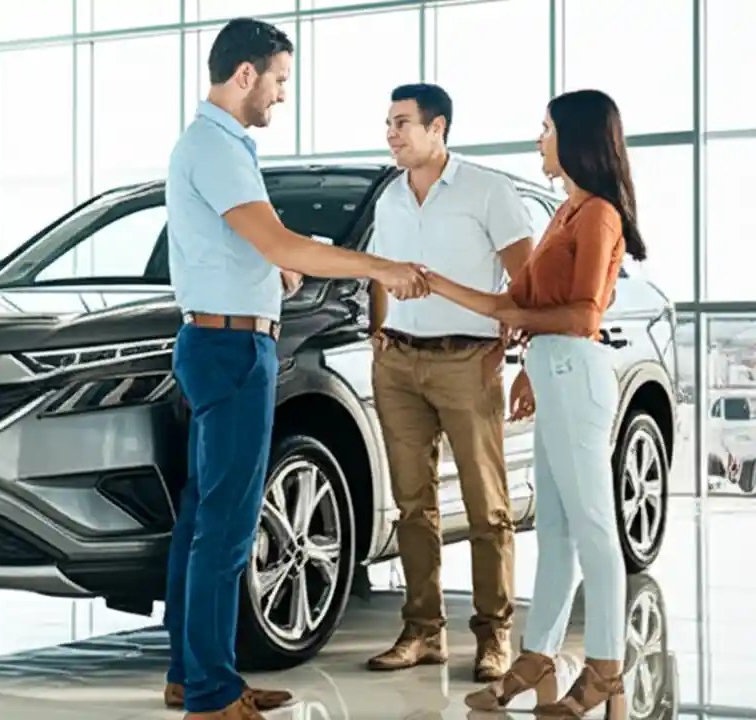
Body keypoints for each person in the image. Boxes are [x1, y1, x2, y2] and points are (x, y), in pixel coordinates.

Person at [162, 17, 428, 720]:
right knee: (227, 524)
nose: (282, 94)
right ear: (244, 75)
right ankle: (213, 695)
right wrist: (381, 267)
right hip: (230, 350)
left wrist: (272, 267)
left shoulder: (220, 147)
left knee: (201, 516)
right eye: (279, 79)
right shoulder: (215, 148)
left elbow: (252, 244)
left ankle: (191, 676)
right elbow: (277, 239)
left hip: (221, 340)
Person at [425, 88, 644, 717]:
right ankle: (539, 655)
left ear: (575, 138)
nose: (538, 139)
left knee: (595, 530)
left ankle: (605, 667)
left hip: (577, 370)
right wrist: (434, 282)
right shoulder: (566, 212)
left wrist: (522, 329)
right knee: (554, 532)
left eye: (546, 128)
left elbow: (580, 315)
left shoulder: (600, 213)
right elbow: (508, 304)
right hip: (554, 371)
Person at [365, 83, 535, 682]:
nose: (391, 133)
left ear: (438, 129)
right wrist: (377, 332)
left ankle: (495, 637)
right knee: (413, 506)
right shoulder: (389, 198)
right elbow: (379, 274)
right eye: (388, 123)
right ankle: (422, 632)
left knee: (487, 507)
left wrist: (515, 350)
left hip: (468, 363)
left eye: (402, 122)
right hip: (399, 365)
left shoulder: (489, 190)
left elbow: (528, 282)